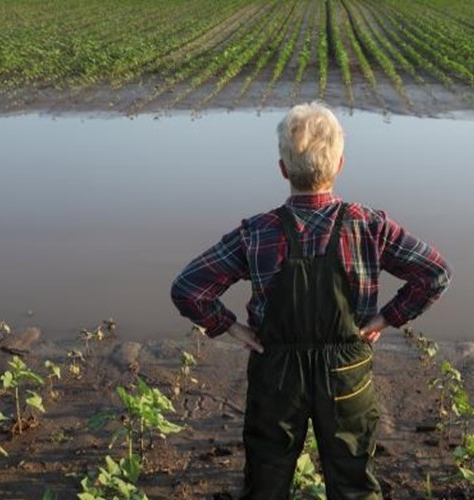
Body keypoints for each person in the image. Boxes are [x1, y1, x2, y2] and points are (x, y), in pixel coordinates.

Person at [171, 102, 451, 499]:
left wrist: (232, 328)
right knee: (353, 480)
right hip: (346, 370)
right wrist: (386, 319)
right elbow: (435, 273)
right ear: (340, 164)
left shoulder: (256, 232)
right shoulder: (369, 226)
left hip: (277, 370)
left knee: (266, 479)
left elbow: (188, 287)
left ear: (283, 169)